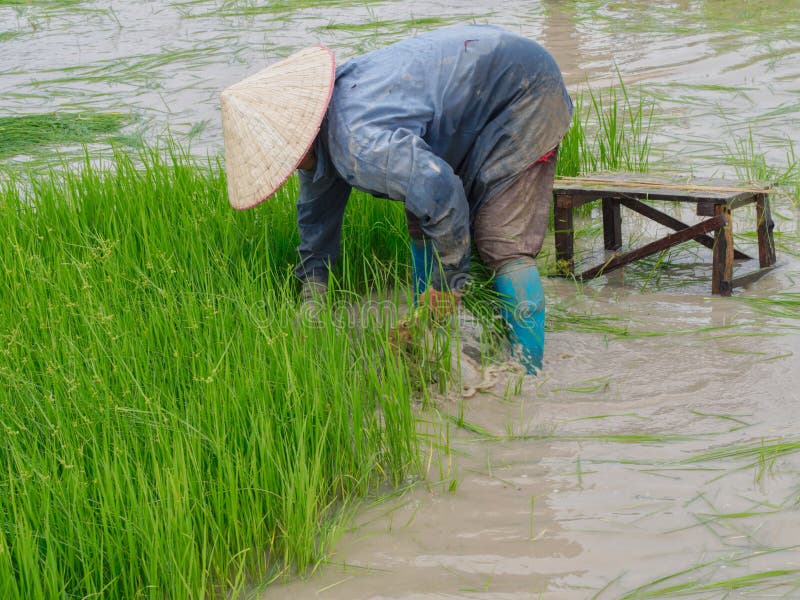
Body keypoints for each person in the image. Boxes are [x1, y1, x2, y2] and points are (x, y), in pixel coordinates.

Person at [221, 24, 573, 373]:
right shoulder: (320, 137)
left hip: (524, 91)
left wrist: (449, 282)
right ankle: (433, 330)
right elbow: (317, 229)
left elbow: (442, 193)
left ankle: (529, 378)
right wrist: (310, 310)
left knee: (500, 240)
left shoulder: (359, 144)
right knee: (422, 213)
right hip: (474, 93)